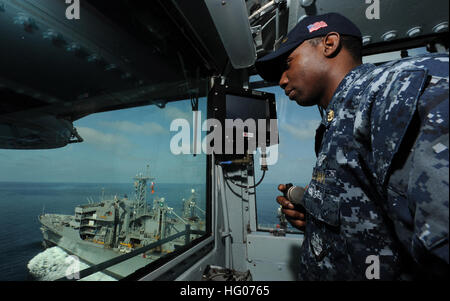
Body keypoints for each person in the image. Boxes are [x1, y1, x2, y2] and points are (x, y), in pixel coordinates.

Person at [255, 12, 449, 280]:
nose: (281, 80)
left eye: (288, 63)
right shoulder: (338, 119)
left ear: (329, 44)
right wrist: (316, 219)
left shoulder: (394, 91)